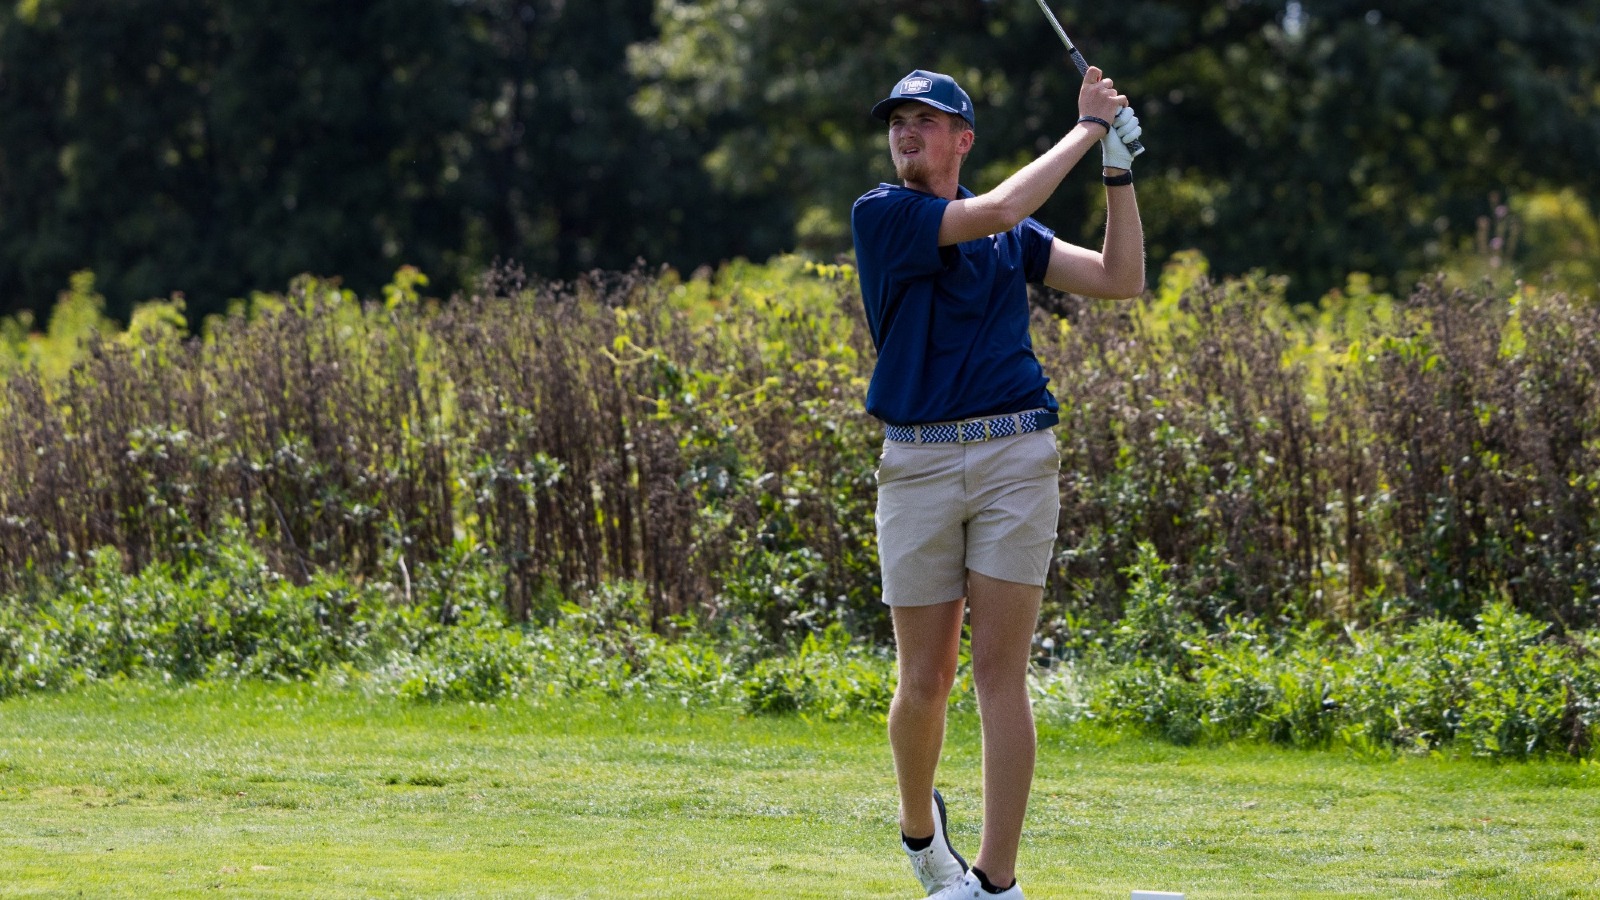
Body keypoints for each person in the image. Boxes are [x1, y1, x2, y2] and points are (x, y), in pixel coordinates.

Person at [850, 65, 1145, 900]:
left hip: (1019, 453)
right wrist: (1087, 129)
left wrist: (1117, 172)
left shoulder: (1010, 238)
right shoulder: (884, 213)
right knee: (924, 678)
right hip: (918, 462)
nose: (907, 131)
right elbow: (1002, 207)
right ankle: (921, 836)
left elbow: (1120, 279)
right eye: (898, 120)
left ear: (961, 139)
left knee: (998, 674)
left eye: (926, 119)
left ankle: (998, 881)